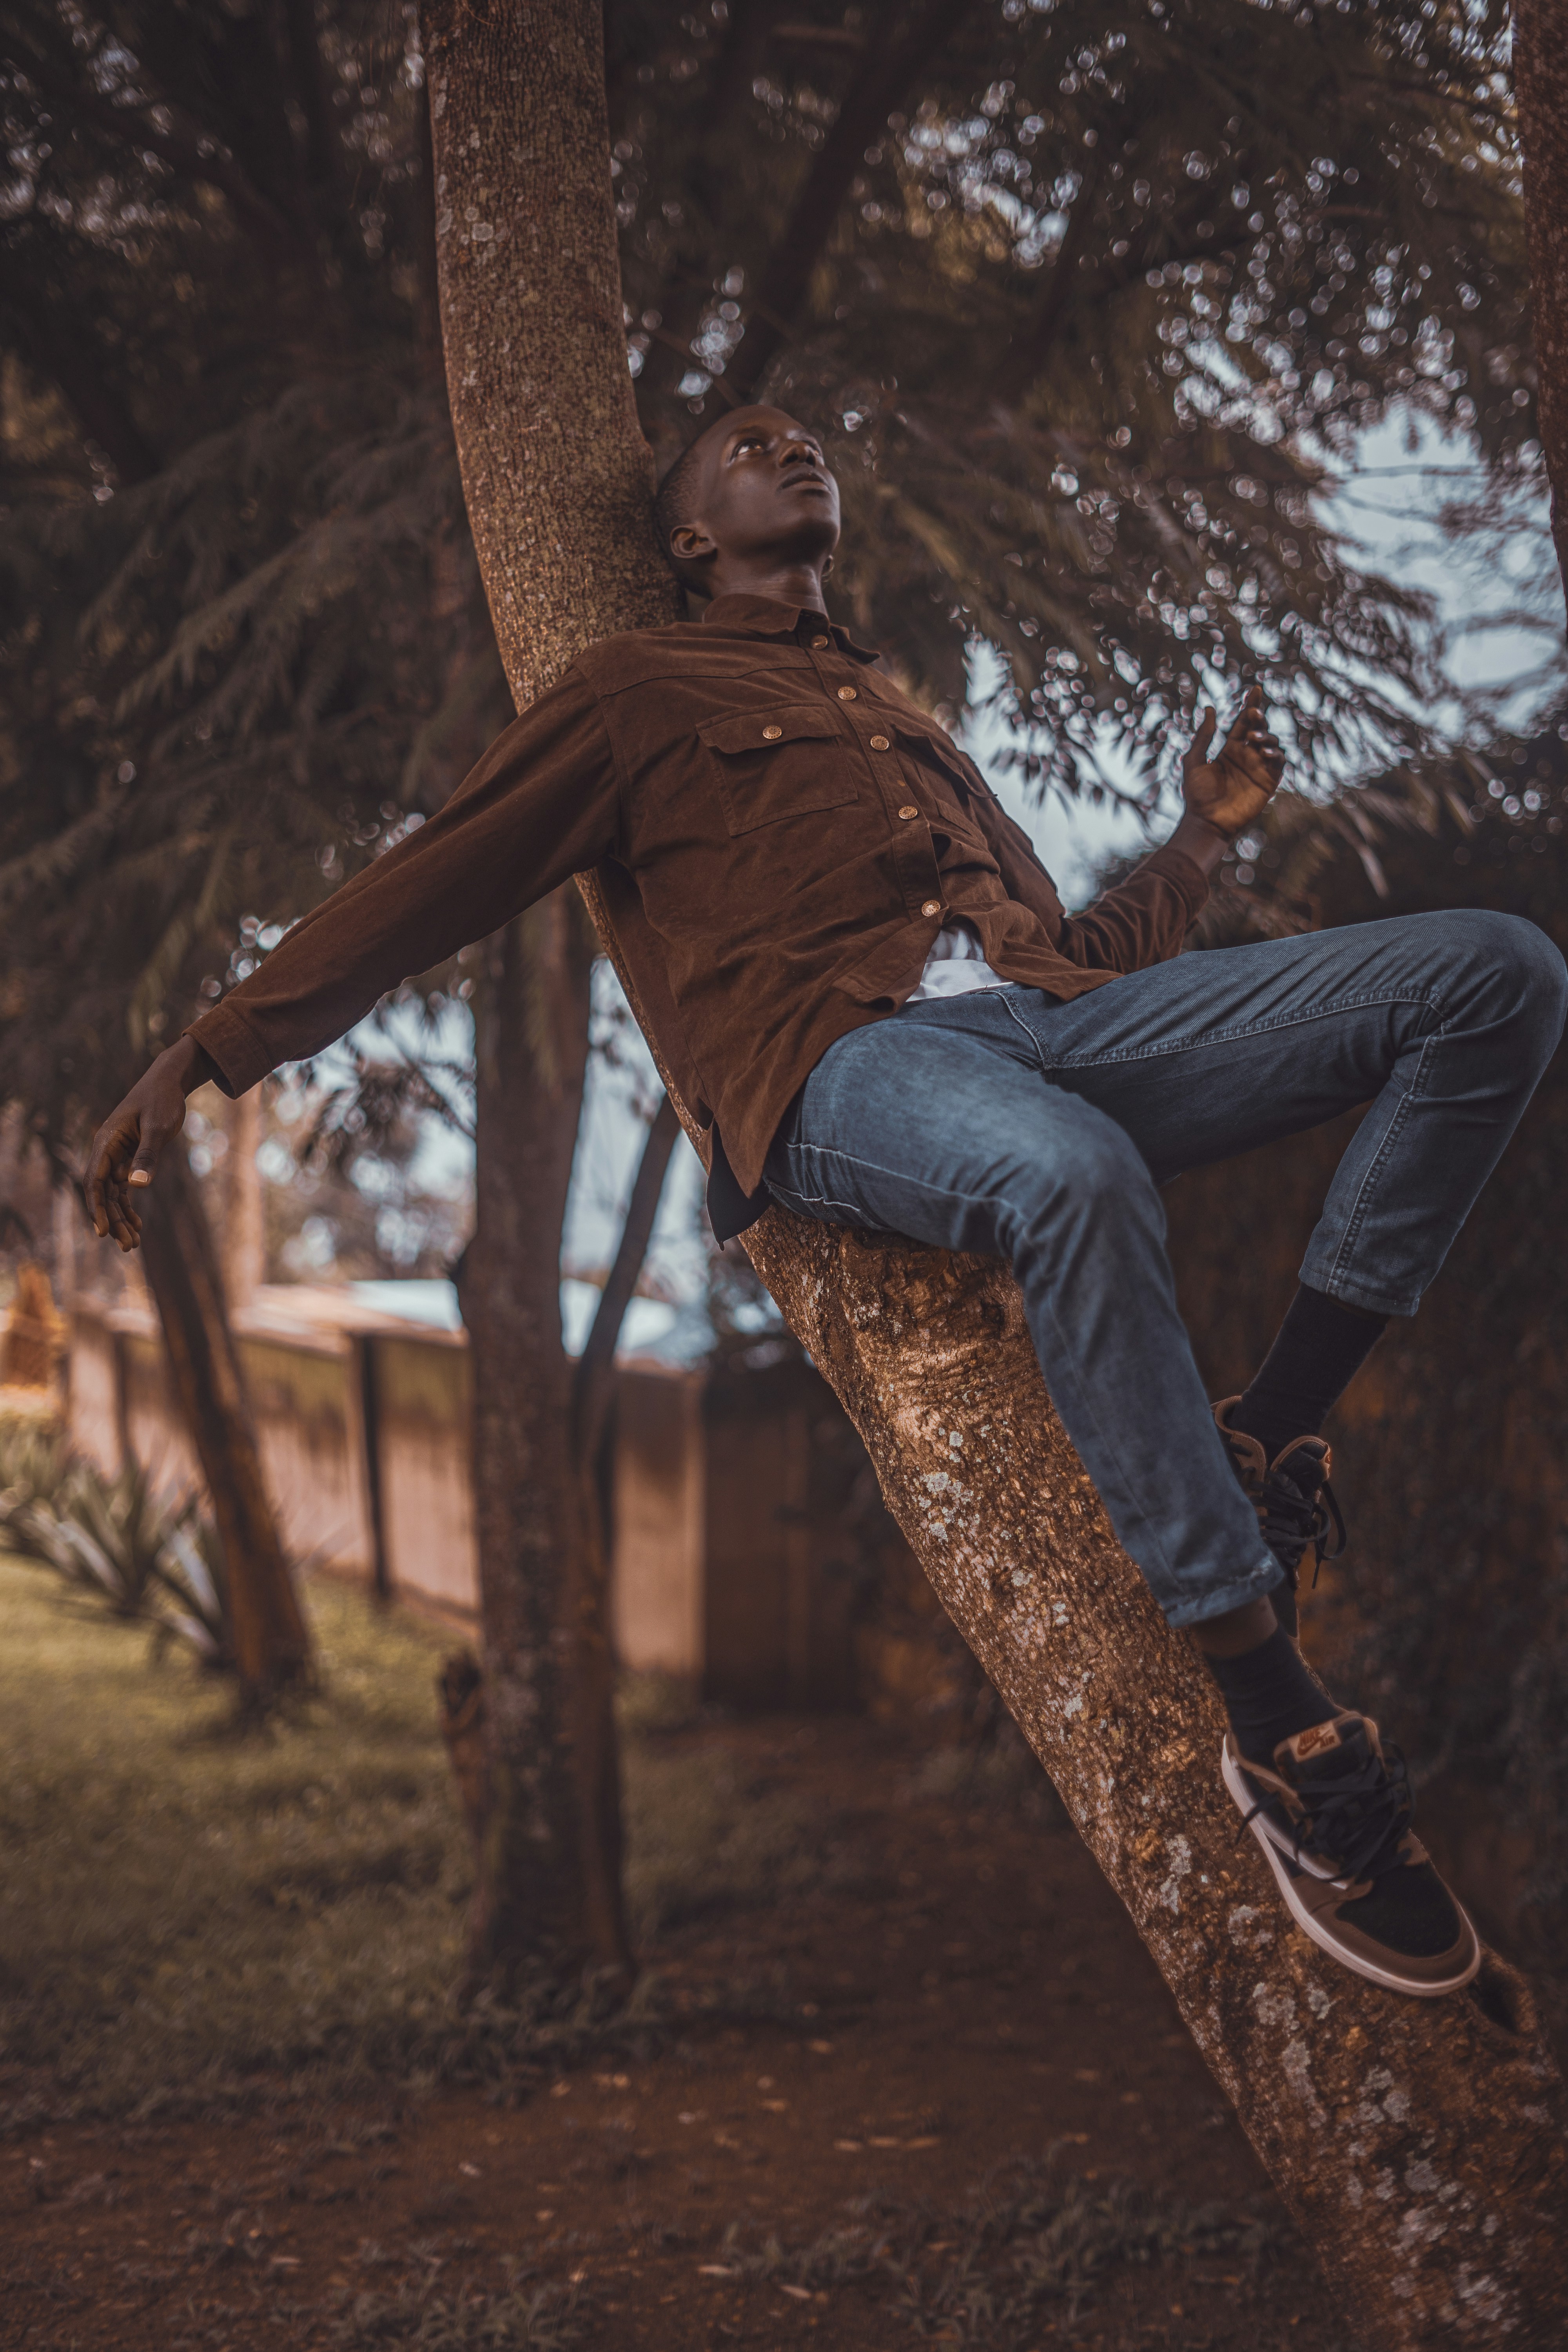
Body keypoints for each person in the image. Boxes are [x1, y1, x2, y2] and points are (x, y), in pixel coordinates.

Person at [86, 405, 1567, 1997]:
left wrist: (1204, 841)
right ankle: (1276, 1723)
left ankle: (1269, 1425)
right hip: (840, 1065)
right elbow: (431, 876)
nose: (791, 446)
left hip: (1049, 1028)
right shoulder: (636, 693)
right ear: (688, 541)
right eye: (748, 444)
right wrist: (213, 1046)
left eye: (804, 438)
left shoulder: (896, 716)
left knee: (1496, 977)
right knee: (1068, 1175)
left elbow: (1079, 956)